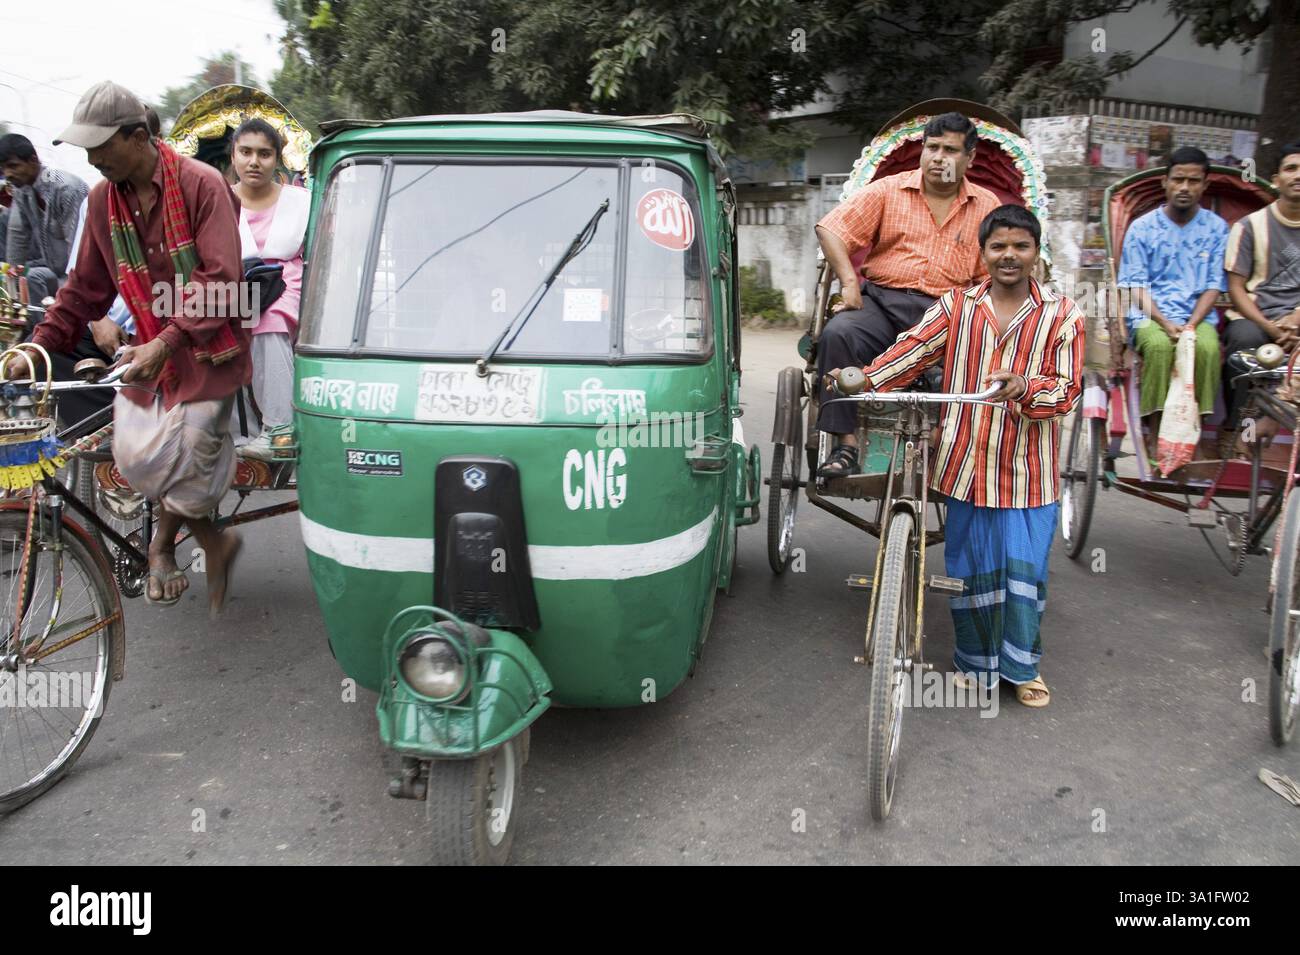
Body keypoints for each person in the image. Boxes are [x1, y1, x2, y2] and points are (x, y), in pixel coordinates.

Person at [10, 80, 251, 613]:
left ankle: (161, 546)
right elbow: (84, 289)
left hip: (211, 347)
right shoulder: (101, 202)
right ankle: (214, 541)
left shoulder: (202, 184)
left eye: (101, 147)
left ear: (138, 137)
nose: (92, 159)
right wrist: (40, 345)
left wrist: (167, 341)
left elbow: (222, 279)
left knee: (188, 445)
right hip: (150, 349)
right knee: (133, 452)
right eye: (87, 150)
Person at [832, 205, 1084, 706]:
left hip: (1027, 474)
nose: (1009, 256)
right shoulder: (956, 306)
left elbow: (1068, 391)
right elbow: (913, 350)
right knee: (972, 571)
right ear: (983, 253)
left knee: (1024, 573)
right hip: (965, 466)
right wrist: (865, 380)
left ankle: (1022, 666)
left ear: (1036, 252)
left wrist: (1025, 388)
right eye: (998, 247)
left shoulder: (1063, 314)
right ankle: (973, 662)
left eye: (1020, 246)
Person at [813, 111, 1001, 477]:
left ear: (969, 158)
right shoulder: (888, 190)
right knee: (839, 334)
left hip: (949, 312)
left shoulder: (986, 206)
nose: (938, 157)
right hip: (882, 304)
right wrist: (850, 284)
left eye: (950, 150)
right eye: (932, 147)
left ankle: (946, 447)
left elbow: (994, 275)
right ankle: (846, 444)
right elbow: (831, 229)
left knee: (983, 355)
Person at [1116, 146, 1227, 459]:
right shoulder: (1142, 228)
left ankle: (1197, 431)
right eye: (1178, 179)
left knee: (1204, 347)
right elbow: (1135, 286)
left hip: (1198, 316)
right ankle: (1155, 430)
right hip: (1150, 315)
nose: (1185, 187)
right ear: (1165, 182)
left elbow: (1213, 286)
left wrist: (1191, 324)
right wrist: (1165, 323)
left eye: (1194, 181)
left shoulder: (1217, 228)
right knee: (1159, 347)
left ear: (1204, 185)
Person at [229, 117, 307, 460]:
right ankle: (230, 433)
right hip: (235, 288)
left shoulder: (301, 201)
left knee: (268, 321)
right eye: (245, 152)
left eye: (264, 153)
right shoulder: (217, 200)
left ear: (277, 159)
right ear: (233, 156)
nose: (254, 162)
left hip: (289, 286)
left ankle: (279, 430)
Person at [1222, 140, 1300, 444]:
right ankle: (1238, 427)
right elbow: (1236, 288)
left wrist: (1296, 318)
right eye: (1291, 169)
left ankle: (1272, 419)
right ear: (1276, 180)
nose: (1298, 176)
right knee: (1245, 341)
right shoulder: (1248, 226)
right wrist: (1269, 325)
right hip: (1255, 315)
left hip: (1297, 319)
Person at [1, 133, 89, 304]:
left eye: (13, 166)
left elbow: (81, 248)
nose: (8, 174)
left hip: (87, 275)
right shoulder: (22, 192)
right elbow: (17, 238)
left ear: (33, 160)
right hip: (57, 273)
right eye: (3, 169)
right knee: (31, 281)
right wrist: (13, 289)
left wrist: (68, 295)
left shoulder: (65, 188)